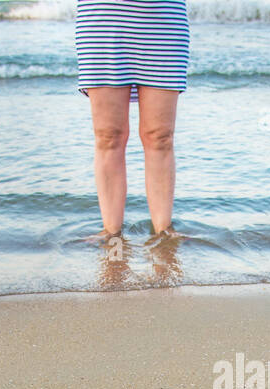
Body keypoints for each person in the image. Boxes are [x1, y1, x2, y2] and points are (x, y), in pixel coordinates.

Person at [75, 1, 190, 239]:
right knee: (109, 136)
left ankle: (164, 235)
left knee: (160, 136)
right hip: (103, 23)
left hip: (164, 23)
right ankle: (111, 233)